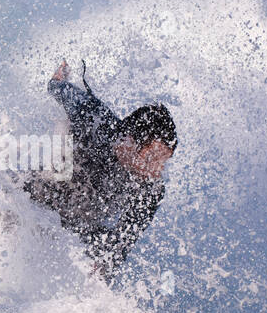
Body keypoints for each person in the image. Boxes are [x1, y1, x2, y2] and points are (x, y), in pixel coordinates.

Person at [24, 60, 177, 280]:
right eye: (153, 158)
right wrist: (58, 79)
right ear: (128, 142)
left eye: (164, 161)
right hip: (53, 186)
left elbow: (120, 244)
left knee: (102, 245)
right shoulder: (95, 120)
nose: (157, 171)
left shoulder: (150, 190)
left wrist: (102, 273)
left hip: (84, 217)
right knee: (55, 179)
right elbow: (58, 90)